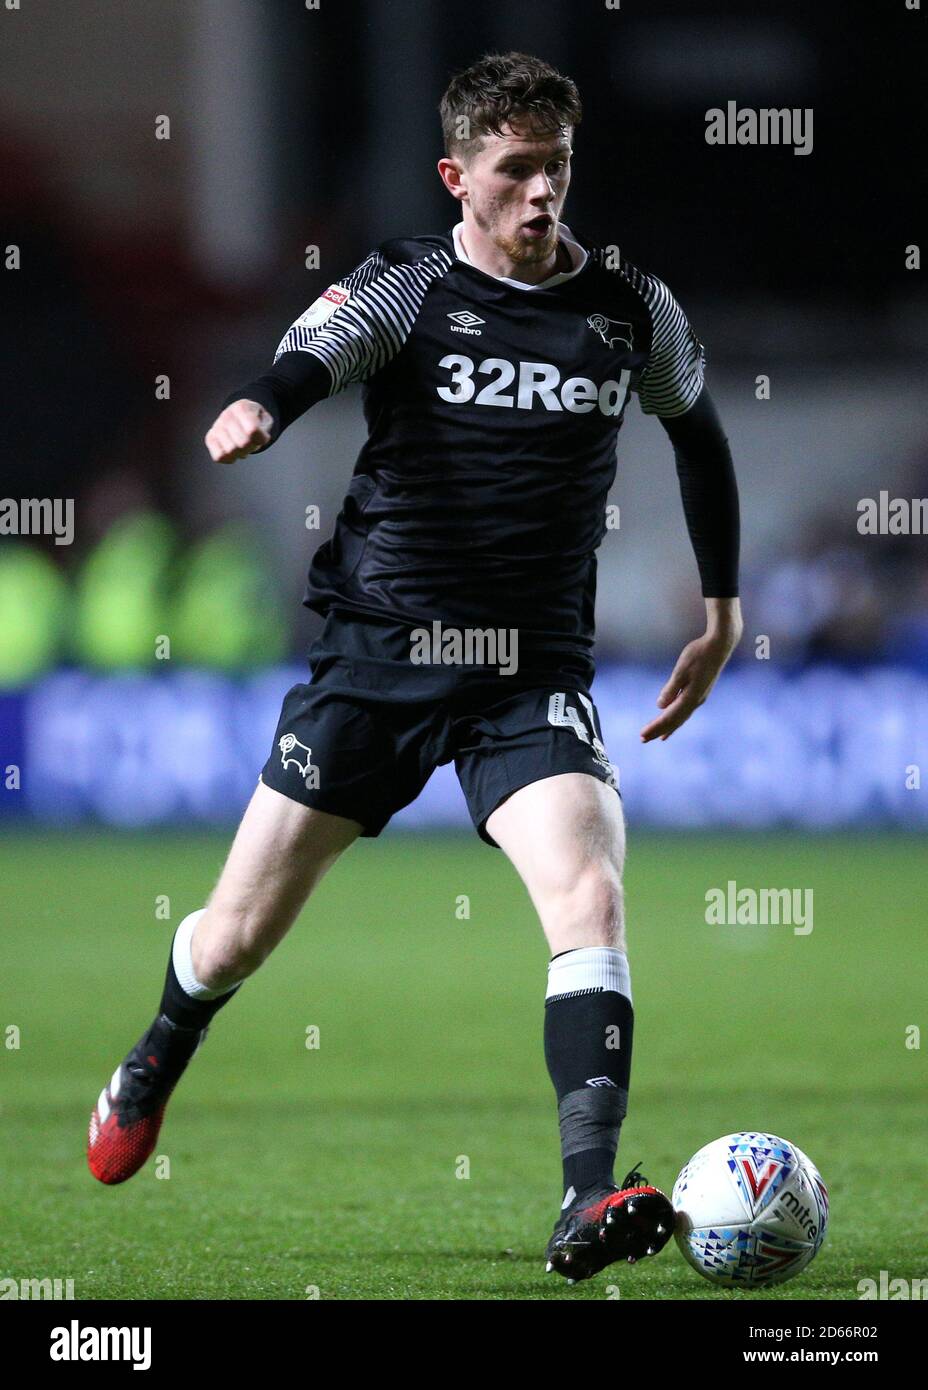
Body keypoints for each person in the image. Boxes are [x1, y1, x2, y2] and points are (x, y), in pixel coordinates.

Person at [87, 51, 742, 1284]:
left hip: (526, 677)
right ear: (458, 176)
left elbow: (697, 435)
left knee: (590, 902)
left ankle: (586, 1197)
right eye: (515, 171)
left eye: (556, 166)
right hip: (375, 663)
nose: (543, 192)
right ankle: (155, 1054)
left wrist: (718, 606)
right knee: (229, 943)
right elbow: (311, 357)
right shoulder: (411, 289)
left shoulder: (625, 308)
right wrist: (258, 412)